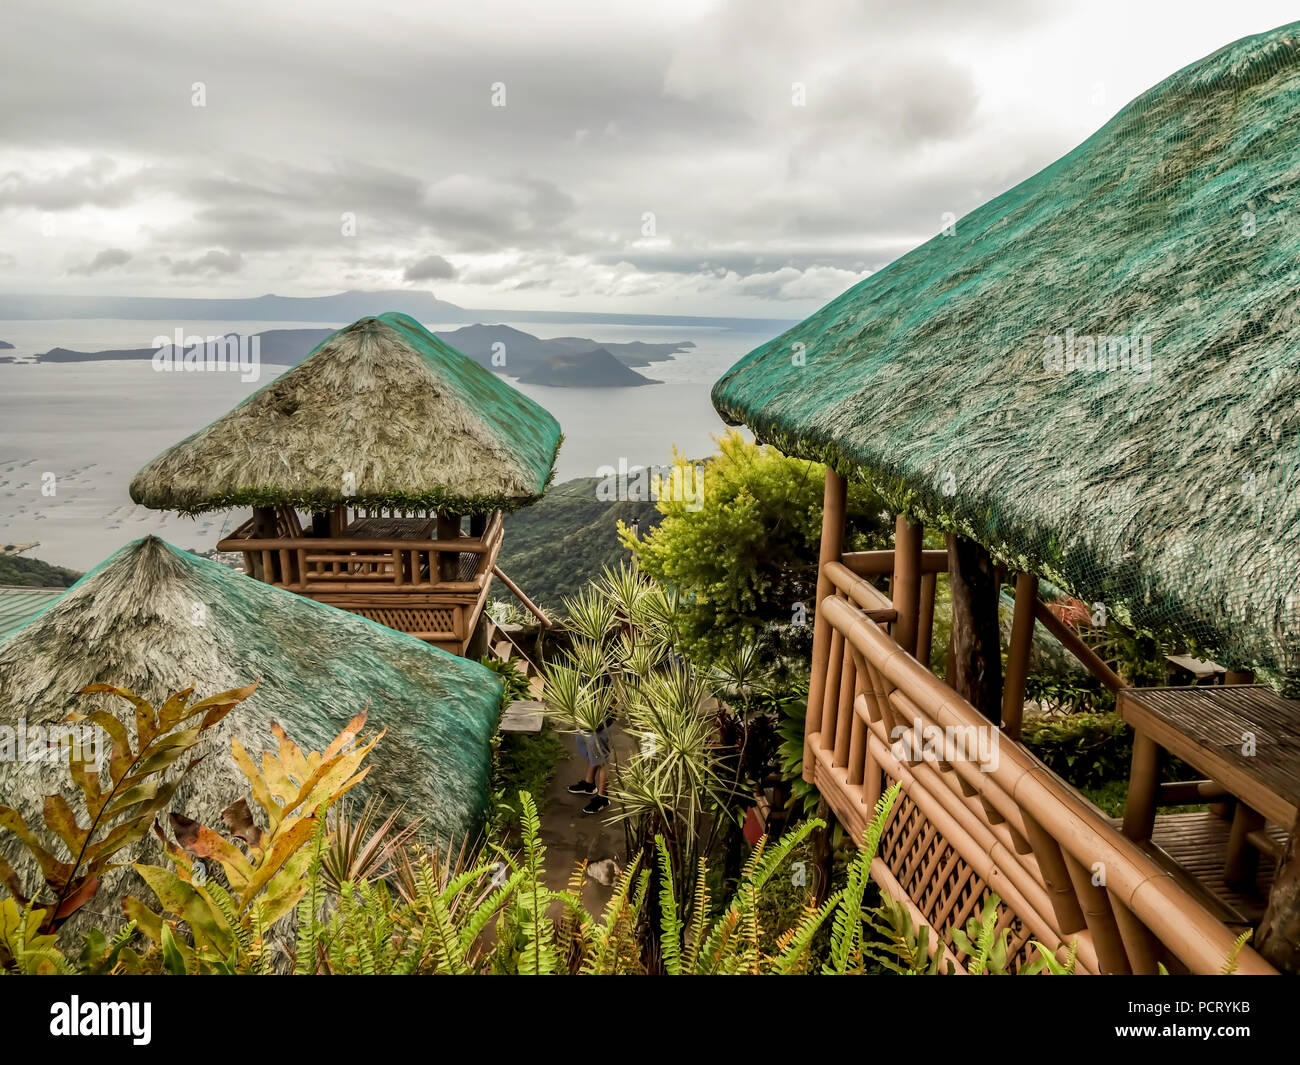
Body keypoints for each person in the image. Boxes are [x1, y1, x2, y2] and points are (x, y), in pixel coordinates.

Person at [568, 717, 612, 814]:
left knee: (602, 759)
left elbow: (614, 702)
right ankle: (589, 785)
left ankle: (603, 797)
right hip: (583, 720)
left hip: (599, 722)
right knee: (591, 751)